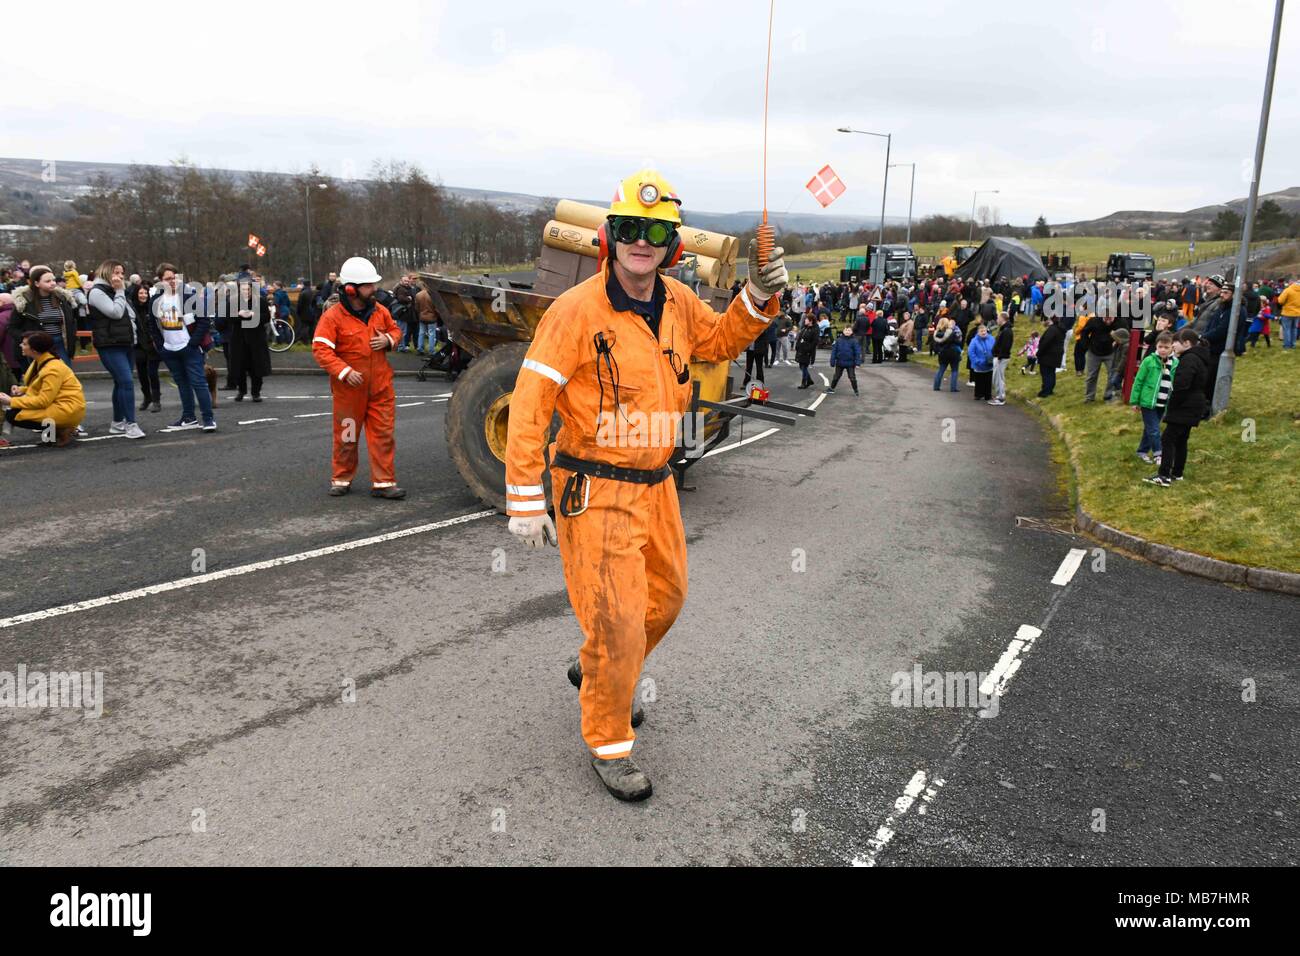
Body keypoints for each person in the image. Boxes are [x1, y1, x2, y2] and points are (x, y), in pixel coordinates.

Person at [501, 169, 787, 801]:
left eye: (656, 231)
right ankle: (608, 742)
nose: (643, 241)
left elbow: (718, 341)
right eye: (631, 227)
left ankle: (598, 669)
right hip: (594, 488)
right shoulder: (574, 312)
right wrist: (524, 497)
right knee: (618, 622)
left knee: (669, 598)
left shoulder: (680, 303)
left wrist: (757, 297)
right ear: (612, 236)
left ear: (671, 245)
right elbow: (530, 401)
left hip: (657, 485)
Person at [311, 256, 406, 499]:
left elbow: (395, 330)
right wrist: (344, 371)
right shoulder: (333, 317)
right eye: (368, 286)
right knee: (348, 435)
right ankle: (341, 478)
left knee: (383, 436)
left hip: (381, 388)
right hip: (349, 393)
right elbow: (321, 349)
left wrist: (389, 340)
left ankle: (384, 483)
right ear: (351, 289)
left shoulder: (380, 312)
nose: (374, 289)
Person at [149, 263, 216, 432]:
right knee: (182, 384)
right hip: (169, 350)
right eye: (168, 279)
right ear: (160, 281)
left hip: (189, 348)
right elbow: (152, 326)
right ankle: (189, 417)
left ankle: (208, 419)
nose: (172, 281)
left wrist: (192, 344)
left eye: (174, 277)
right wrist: (161, 347)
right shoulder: (156, 300)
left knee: (199, 383)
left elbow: (204, 321)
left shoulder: (189, 295)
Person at [87, 259, 145, 439]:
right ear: (107, 272)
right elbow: (115, 312)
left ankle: (117, 422)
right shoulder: (97, 292)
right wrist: (120, 291)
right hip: (110, 344)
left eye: (122, 273)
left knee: (121, 383)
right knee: (126, 382)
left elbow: (131, 315)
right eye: (117, 272)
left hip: (125, 342)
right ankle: (131, 424)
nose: (120, 276)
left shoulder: (115, 290)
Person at [0, 331, 85, 446]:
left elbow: (43, 401)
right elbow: (41, 387)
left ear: (34, 350)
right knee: (14, 411)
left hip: (67, 409)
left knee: (12, 415)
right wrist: (22, 390)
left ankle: (62, 429)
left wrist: (11, 401)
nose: (21, 345)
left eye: (25, 344)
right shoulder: (41, 360)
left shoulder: (52, 369)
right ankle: (52, 436)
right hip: (59, 405)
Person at [1147, 329, 1208, 486]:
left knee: (1168, 439)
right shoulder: (1199, 357)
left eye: (1175, 342)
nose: (1172, 345)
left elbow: (1181, 385)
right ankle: (1177, 473)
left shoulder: (1189, 360)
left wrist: (1173, 404)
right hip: (1195, 404)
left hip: (1185, 405)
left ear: (1186, 343)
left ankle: (1164, 475)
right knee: (1181, 440)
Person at [10, 265, 78, 366]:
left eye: (53, 280)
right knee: (42, 376)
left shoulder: (62, 298)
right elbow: (12, 327)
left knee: (65, 374)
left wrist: (72, 334)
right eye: (48, 281)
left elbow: (71, 321)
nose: (53, 283)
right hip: (38, 346)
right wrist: (28, 340)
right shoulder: (24, 302)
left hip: (60, 343)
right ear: (37, 283)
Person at [1130, 331, 1176, 465]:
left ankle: (1142, 451)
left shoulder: (1175, 363)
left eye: (1166, 347)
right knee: (1154, 429)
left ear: (1172, 347)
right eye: (1160, 346)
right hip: (1147, 402)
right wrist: (1135, 401)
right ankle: (1158, 454)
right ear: (1156, 346)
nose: (1163, 350)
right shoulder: (1149, 361)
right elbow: (1138, 381)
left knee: (1150, 429)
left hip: (1162, 403)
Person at [226, 277, 272, 402]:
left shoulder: (260, 301)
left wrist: (253, 314)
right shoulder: (233, 301)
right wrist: (239, 314)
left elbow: (266, 317)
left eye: (248, 289)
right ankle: (241, 390)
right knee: (239, 366)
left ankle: (256, 392)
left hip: (256, 339)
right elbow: (229, 318)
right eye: (243, 289)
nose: (246, 291)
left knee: (256, 366)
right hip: (238, 339)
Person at [130, 280, 161, 413]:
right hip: (138, 345)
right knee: (142, 374)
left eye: (145, 293)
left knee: (152, 373)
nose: (143, 295)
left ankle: (156, 400)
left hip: (152, 344)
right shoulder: (132, 308)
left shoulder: (153, 307)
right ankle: (147, 397)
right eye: (140, 293)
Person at [1081, 312, 1117, 402]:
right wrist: (1086, 346)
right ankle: (1089, 397)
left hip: (1110, 352)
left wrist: (1117, 342)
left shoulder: (1119, 322)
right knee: (1091, 375)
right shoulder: (1093, 321)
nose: (1108, 321)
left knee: (1112, 374)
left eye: (1110, 319)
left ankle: (1108, 395)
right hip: (1094, 352)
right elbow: (1084, 332)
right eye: (1106, 319)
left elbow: (1125, 333)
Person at [826, 325, 861, 395]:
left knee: (852, 377)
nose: (847, 332)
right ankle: (831, 388)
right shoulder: (838, 340)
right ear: (843, 331)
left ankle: (856, 390)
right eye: (846, 330)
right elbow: (834, 351)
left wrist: (857, 363)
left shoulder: (854, 341)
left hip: (850, 363)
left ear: (852, 332)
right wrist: (832, 361)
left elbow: (857, 352)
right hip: (840, 362)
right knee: (836, 376)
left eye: (849, 330)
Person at [931, 317, 962, 392]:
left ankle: (936, 386)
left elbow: (935, 345)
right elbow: (958, 342)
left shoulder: (936, 334)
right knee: (954, 370)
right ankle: (953, 388)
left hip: (942, 353)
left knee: (941, 369)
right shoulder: (951, 332)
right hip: (953, 352)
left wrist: (939, 350)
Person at [989, 311, 1013, 406]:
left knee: (998, 378)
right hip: (999, 356)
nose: (997, 319)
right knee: (997, 377)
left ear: (1002, 318)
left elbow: (1006, 345)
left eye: (998, 317)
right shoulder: (1004, 329)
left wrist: (1000, 356)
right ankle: (999, 396)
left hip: (1001, 358)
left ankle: (1001, 397)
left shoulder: (1006, 330)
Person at [1036, 317, 1064, 398]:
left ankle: (1045, 391)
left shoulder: (1052, 330)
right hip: (1056, 355)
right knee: (1051, 372)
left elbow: (1046, 342)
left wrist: (1039, 353)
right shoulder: (1059, 329)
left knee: (1046, 373)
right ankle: (1050, 389)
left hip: (1048, 355)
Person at [968, 323, 994, 400]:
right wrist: (977, 361)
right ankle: (978, 394)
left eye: (984, 331)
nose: (983, 333)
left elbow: (995, 349)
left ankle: (987, 395)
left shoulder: (991, 338)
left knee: (988, 381)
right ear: (978, 332)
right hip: (979, 365)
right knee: (979, 381)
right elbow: (971, 352)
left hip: (989, 364)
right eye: (981, 331)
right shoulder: (974, 341)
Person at [794, 313, 818, 388]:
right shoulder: (805, 328)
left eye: (806, 319)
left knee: (804, 366)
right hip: (801, 350)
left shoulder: (815, 329)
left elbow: (814, 342)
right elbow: (800, 338)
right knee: (801, 366)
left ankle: (804, 383)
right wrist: (797, 346)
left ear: (811, 321)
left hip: (807, 352)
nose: (805, 320)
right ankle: (809, 380)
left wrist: (808, 349)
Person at [1278, 276, 1299, 350]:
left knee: (1287, 329)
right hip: (1297, 313)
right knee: (1294, 329)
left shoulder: (1288, 290)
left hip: (1287, 313)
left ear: (1291, 283)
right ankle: (1292, 344)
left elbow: (1280, 300)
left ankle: (1287, 345)